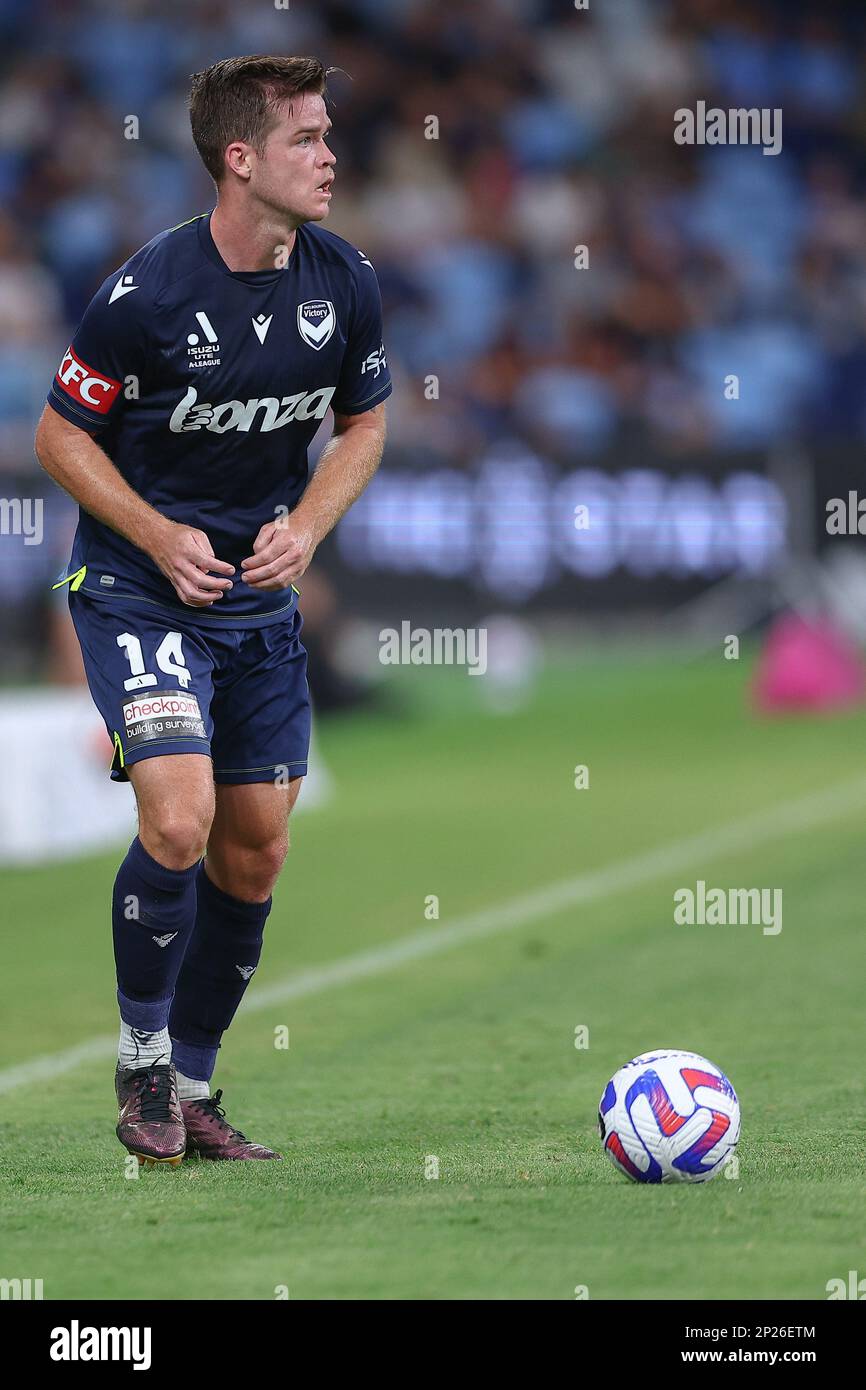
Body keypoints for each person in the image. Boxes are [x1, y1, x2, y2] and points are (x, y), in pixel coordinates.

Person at [34, 54, 391, 1164]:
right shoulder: (148, 293)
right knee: (178, 821)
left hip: (255, 606)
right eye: (305, 139)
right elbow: (59, 434)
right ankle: (140, 1065)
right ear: (240, 159)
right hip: (144, 591)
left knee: (255, 854)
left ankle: (190, 1083)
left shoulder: (344, 281)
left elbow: (364, 423)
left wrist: (309, 527)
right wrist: (155, 533)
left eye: (328, 135)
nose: (330, 155)